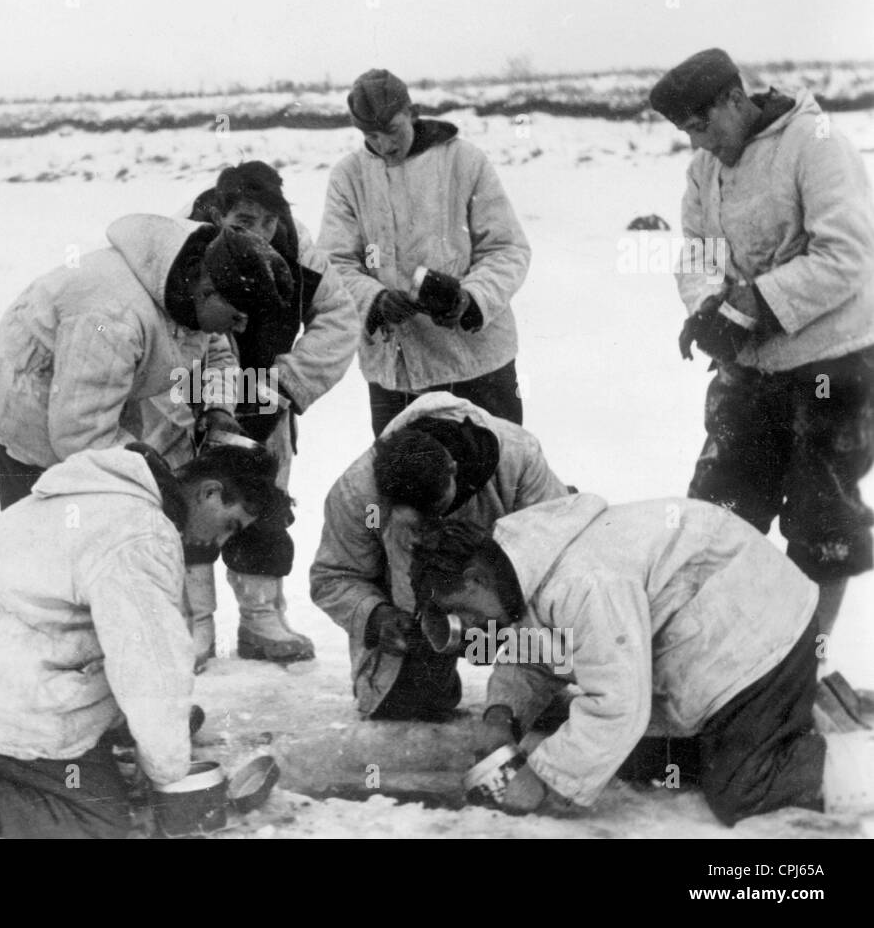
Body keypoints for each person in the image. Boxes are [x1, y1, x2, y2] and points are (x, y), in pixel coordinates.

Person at [409, 494, 874, 824]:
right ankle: (801, 714)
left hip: (756, 634)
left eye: (466, 616)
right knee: (630, 756)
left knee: (741, 790)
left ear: (473, 579)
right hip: (721, 623)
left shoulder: (584, 584)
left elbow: (618, 703)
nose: (472, 632)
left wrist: (544, 781)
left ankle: (859, 762)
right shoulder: (512, 563)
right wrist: (501, 713)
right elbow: (535, 647)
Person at [0, 442, 286, 838]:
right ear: (209, 491)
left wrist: (160, 728)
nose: (221, 541)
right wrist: (169, 773)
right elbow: (149, 667)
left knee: (155, 720)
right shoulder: (142, 535)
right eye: (230, 524)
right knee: (99, 820)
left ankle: (57, 762)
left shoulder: (105, 491)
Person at [652, 48, 874, 672]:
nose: (698, 142)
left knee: (821, 523)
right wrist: (705, 308)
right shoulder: (706, 165)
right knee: (719, 516)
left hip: (830, 367)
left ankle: (809, 665)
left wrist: (752, 303)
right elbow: (695, 249)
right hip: (750, 373)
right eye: (685, 133)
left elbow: (846, 255)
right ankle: (723, 661)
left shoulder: (815, 143)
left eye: (702, 125)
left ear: (733, 98)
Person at [147, 161, 357, 669]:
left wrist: (286, 381)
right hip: (188, 397)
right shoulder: (181, 244)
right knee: (186, 501)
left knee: (265, 501)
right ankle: (191, 623)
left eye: (270, 221)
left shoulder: (300, 250)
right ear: (218, 210)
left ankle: (261, 617)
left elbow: (340, 318)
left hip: (264, 398)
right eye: (245, 218)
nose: (260, 232)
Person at [0, 214, 286, 511]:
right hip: (29, 416)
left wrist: (217, 408)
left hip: (92, 402)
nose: (240, 328)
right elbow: (81, 435)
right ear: (207, 293)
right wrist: (157, 475)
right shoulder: (113, 319)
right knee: (44, 545)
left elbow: (215, 354)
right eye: (236, 317)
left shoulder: (196, 282)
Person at [309, 392, 566, 721]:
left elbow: (556, 553)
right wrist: (376, 616)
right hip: (418, 622)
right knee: (401, 706)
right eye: (415, 522)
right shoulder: (358, 495)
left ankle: (538, 677)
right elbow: (333, 576)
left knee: (540, 709)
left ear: (453, 471)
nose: (428, 527)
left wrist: (503, 616)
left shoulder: (519, 457)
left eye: (434, 510)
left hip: (509, 593)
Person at [318, 68, 532, 436]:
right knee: (407, 486)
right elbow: (335, 262)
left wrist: (470, 300)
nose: (385, 145)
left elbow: (507, 248)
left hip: (480, 366)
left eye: (393, 131)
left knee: (500, 476)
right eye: (372, 135)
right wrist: (375, 300)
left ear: (412, 113)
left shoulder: (464, 161)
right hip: (399, 376)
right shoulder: (348, 177)